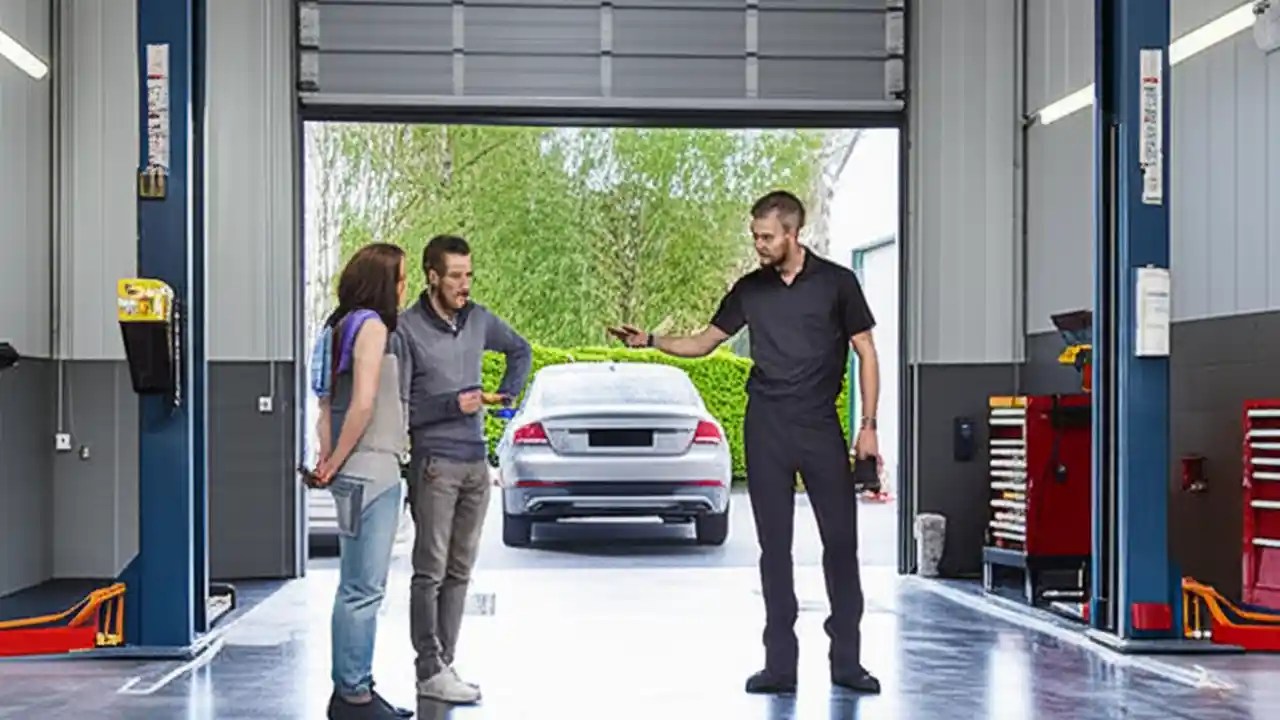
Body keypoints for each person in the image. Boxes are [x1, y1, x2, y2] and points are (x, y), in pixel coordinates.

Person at [608, 190, 883, 696]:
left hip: (821, 424)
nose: (758, 244)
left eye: (766, 236)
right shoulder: (749, 290)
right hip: (767, 426)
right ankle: (780, 665)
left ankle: (847, 661)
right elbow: (705, 340)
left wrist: (868, 425)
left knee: (841, 544)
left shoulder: (839, 284)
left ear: (793, 233)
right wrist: (649, 340)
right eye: (755, 236)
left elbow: (866, 351)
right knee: (772, 548)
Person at [392, 234, 532, 705]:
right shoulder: (406, 329)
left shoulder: (479, 320)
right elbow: (403, 407)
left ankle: (444, 666)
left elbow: (520, 350)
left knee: (460, 570)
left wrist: (508, 395)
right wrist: (454, 404)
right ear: (433, 276)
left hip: (476, 462)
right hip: (434, 464)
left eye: (468, 275)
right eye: (455, 276)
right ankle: (427, 667)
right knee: (428, 571)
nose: (464, 285)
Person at [310, 242, 415, 719]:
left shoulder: (338, 326)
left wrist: (329, 460)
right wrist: (338, 460)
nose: (405, 288)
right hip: (373, 469)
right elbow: (364, 404)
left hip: (352, 473)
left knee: (353, 585)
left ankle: (355, 687)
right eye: (401, 279)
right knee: (363, 589)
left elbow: (323, 409)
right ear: (383, 283)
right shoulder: (371, 327)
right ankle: (353, 695)